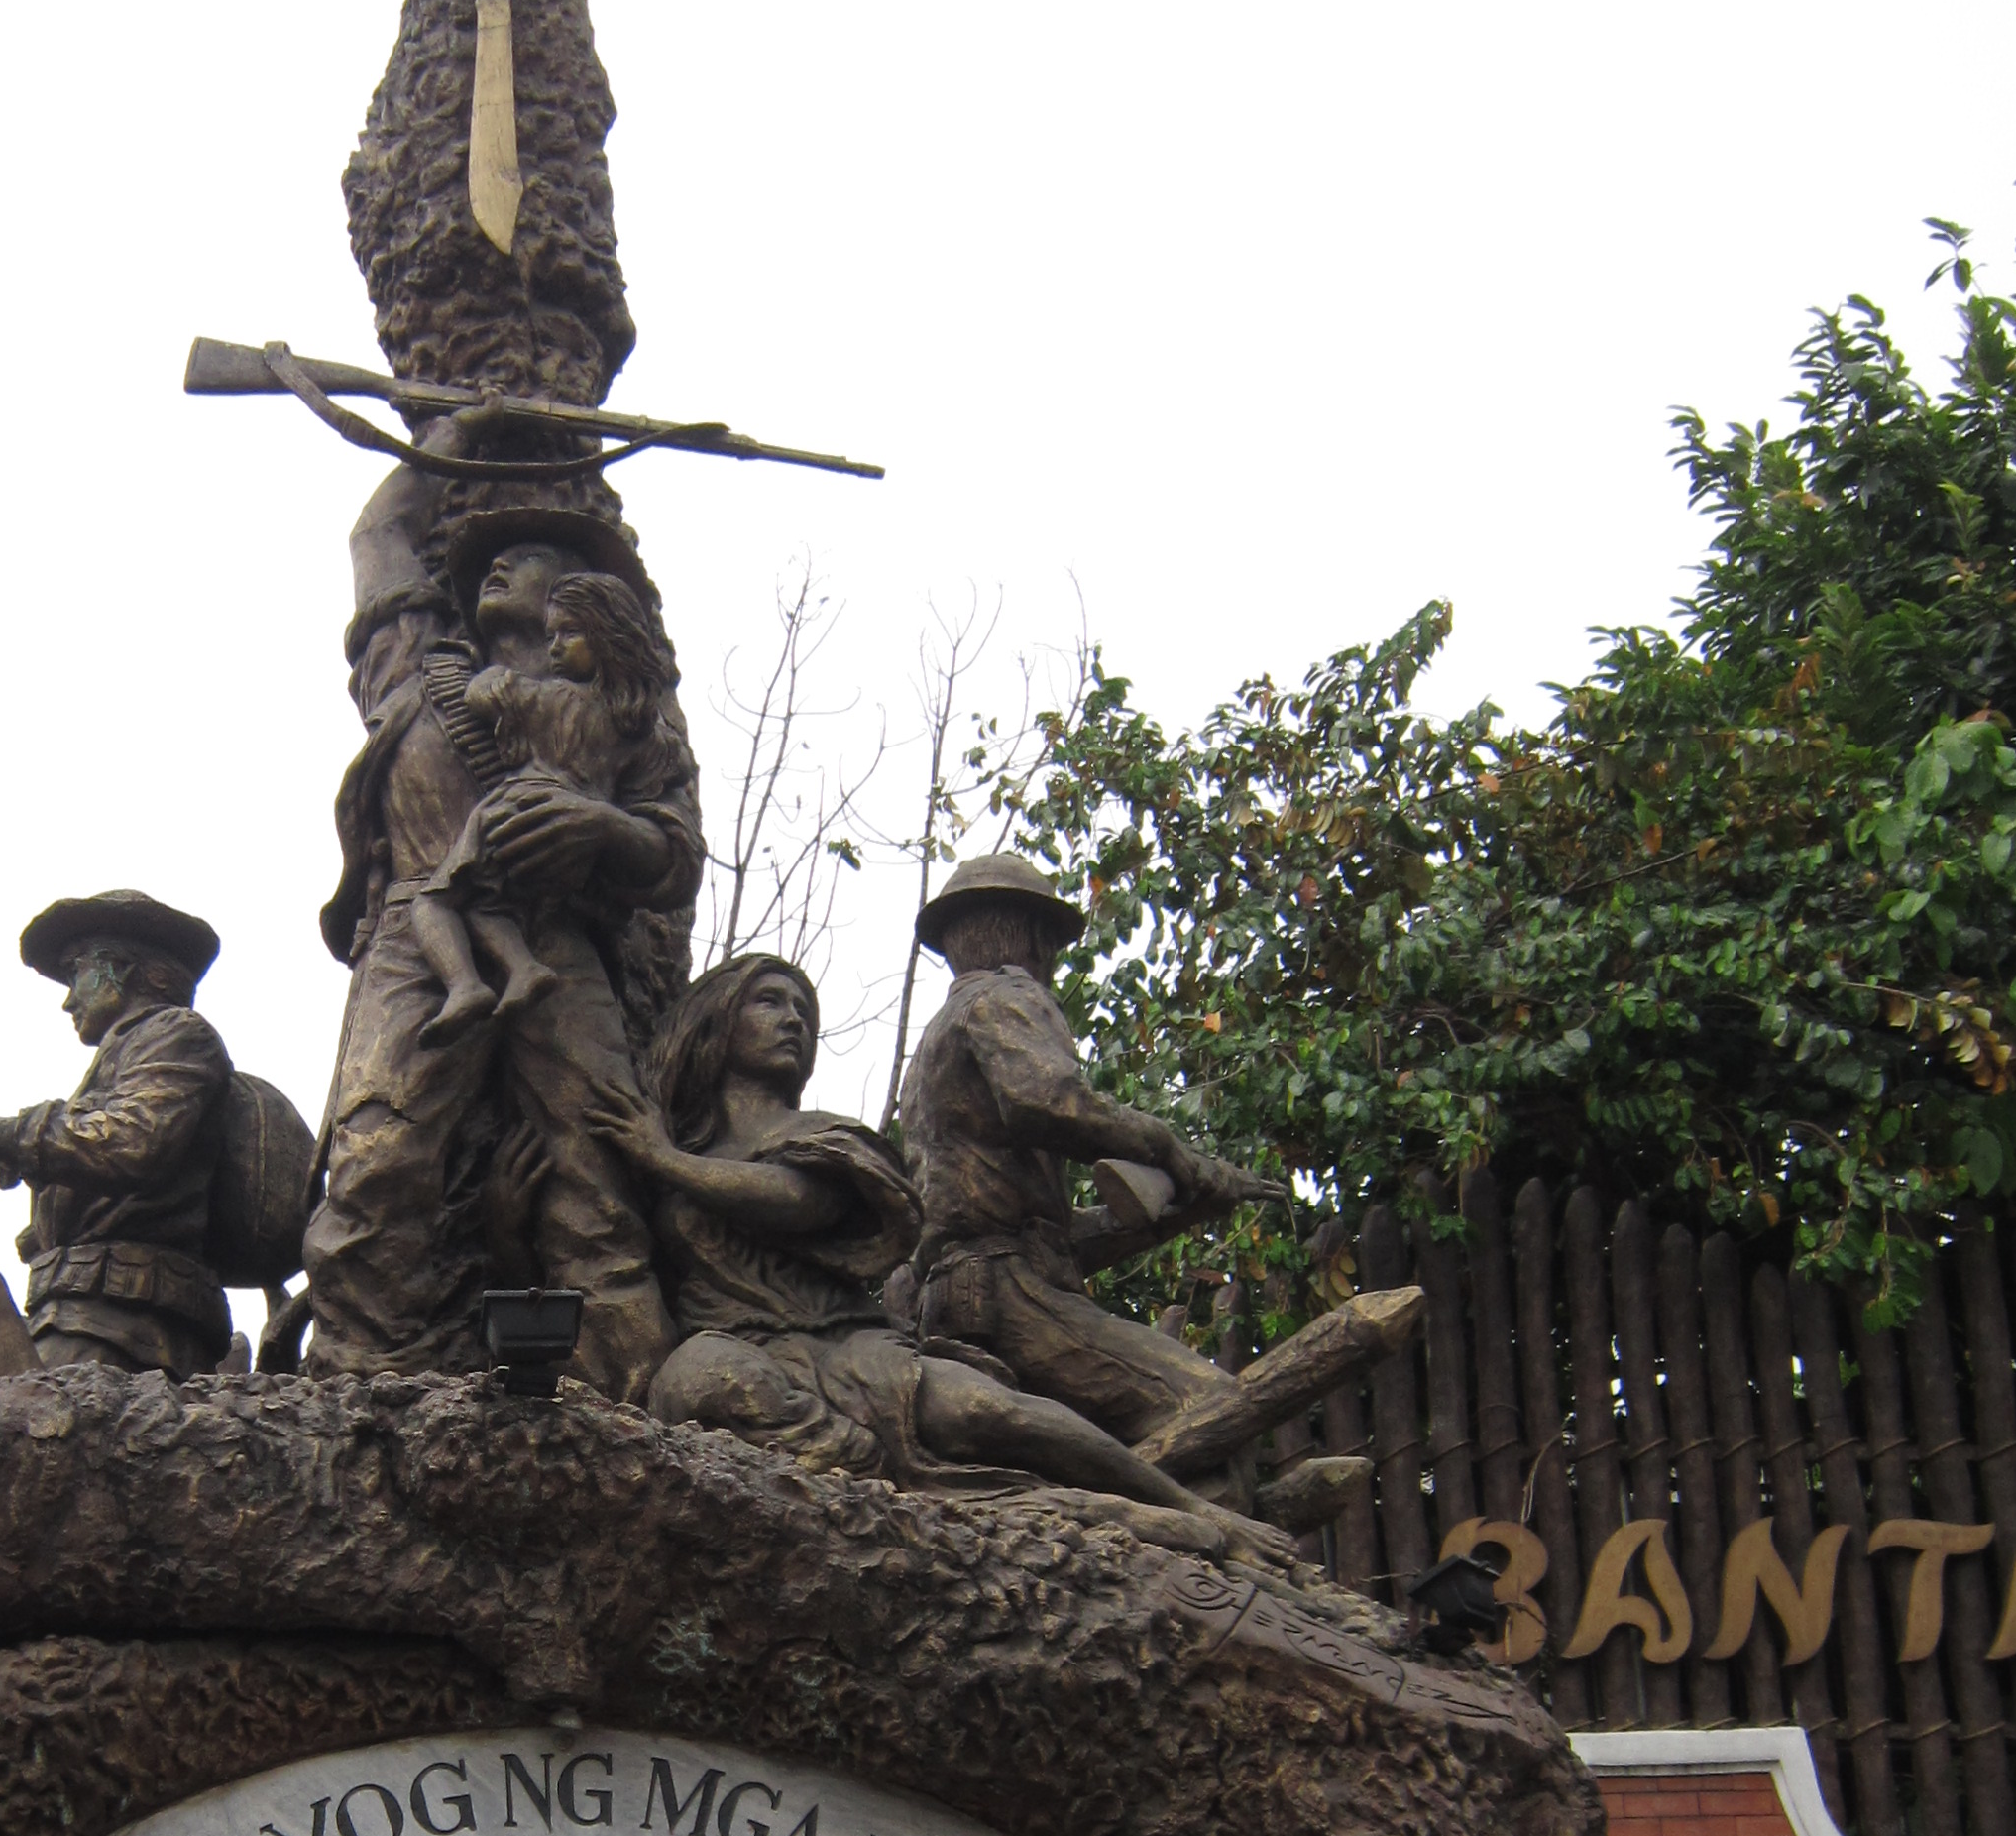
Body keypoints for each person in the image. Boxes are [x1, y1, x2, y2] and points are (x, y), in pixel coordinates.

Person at [597, 953, 1295, 1559]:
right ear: (718, 1022)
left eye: (803, 1009)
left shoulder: (827, 1137)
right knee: (694, 1382)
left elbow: (799, 1202)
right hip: (743, 1349)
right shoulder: (667, 1152)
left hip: (847, 1348)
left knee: (991, 1413)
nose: (792, 1020)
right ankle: (861, 1468)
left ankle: (1194, 1510)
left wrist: (666, 1162)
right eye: (769, 1002)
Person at [303, 473, 702, 1398]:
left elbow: (673, 851)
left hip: (556, 943)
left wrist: (604, 830)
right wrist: (450, 439)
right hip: (418, 932)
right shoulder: (417, 669)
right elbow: (378, 540)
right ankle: (361, 1389)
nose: (503, 564)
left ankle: (629, 1395)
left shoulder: (628, 710)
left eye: (532, 559)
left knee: (602, 1166)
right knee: (377, 1154)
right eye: (488, 559)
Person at [899, 854, 1420, 1472]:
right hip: (1011, 1302)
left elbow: (1031, 1235)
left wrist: (1180, 1207)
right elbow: (1049, 1101)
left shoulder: (927, 1057)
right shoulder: (1006, 998)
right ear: (1038, 938)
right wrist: (1168, 1148)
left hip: (962, 1302)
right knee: (1210, 1405)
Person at [0, 889, 237, 1380]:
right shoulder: (129, 1050)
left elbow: (134, 1141)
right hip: (89, 1308)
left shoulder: (178, 1034)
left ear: (122, 968)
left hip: (127, 1315)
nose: (68, 999)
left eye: (77, 971)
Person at [407, 574, 670, 1042]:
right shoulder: (638, 728)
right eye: (550, 636)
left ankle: (465, 985)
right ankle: (524, 969)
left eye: (569, 633)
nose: (555, 648)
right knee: (491, 904)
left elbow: (482, 694)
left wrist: (486, 677)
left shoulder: (551, 699)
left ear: (607, 637)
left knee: (436, 901)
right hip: (570, 862)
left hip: (519, 814)